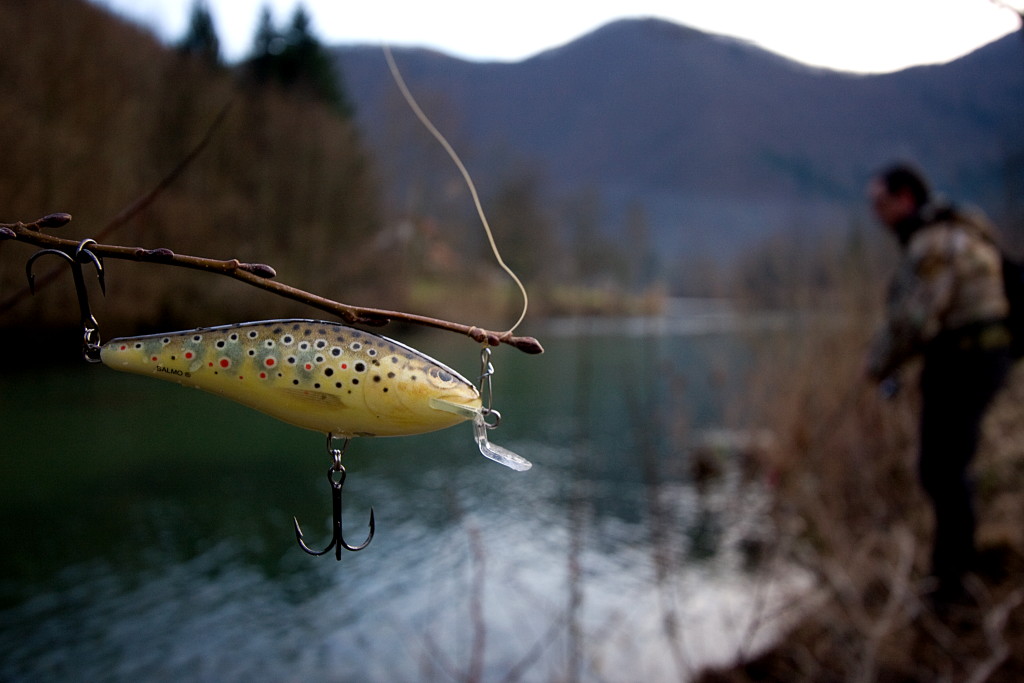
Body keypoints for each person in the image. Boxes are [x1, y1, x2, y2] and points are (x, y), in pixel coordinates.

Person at [865, 162, 1012, 603]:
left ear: (905, 198)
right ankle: (953, 571)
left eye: (880, 203)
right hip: (976, 360)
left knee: (942, 469)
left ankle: (952, 583)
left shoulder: (933, 244)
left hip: (968, 363)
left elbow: (915, 319)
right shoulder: (952, 232)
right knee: (945, 468)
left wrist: (876, 365)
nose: (876, 214)